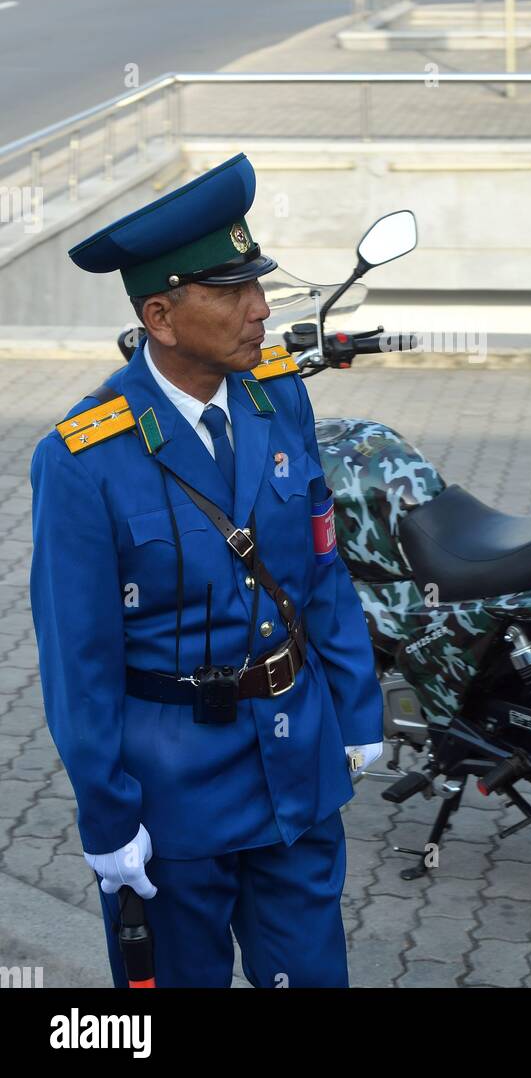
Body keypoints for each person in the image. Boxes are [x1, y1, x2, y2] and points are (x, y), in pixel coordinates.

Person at [29, 152, 384, 988]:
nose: (261, 308)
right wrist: (109, 816)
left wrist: (358, 711)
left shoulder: (275, 397)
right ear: (161, 315)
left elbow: (321, 572)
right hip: (173, 800)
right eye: (232, 292)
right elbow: (79, 660)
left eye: (257, 283)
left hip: (298, 769)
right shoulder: (84, 458)